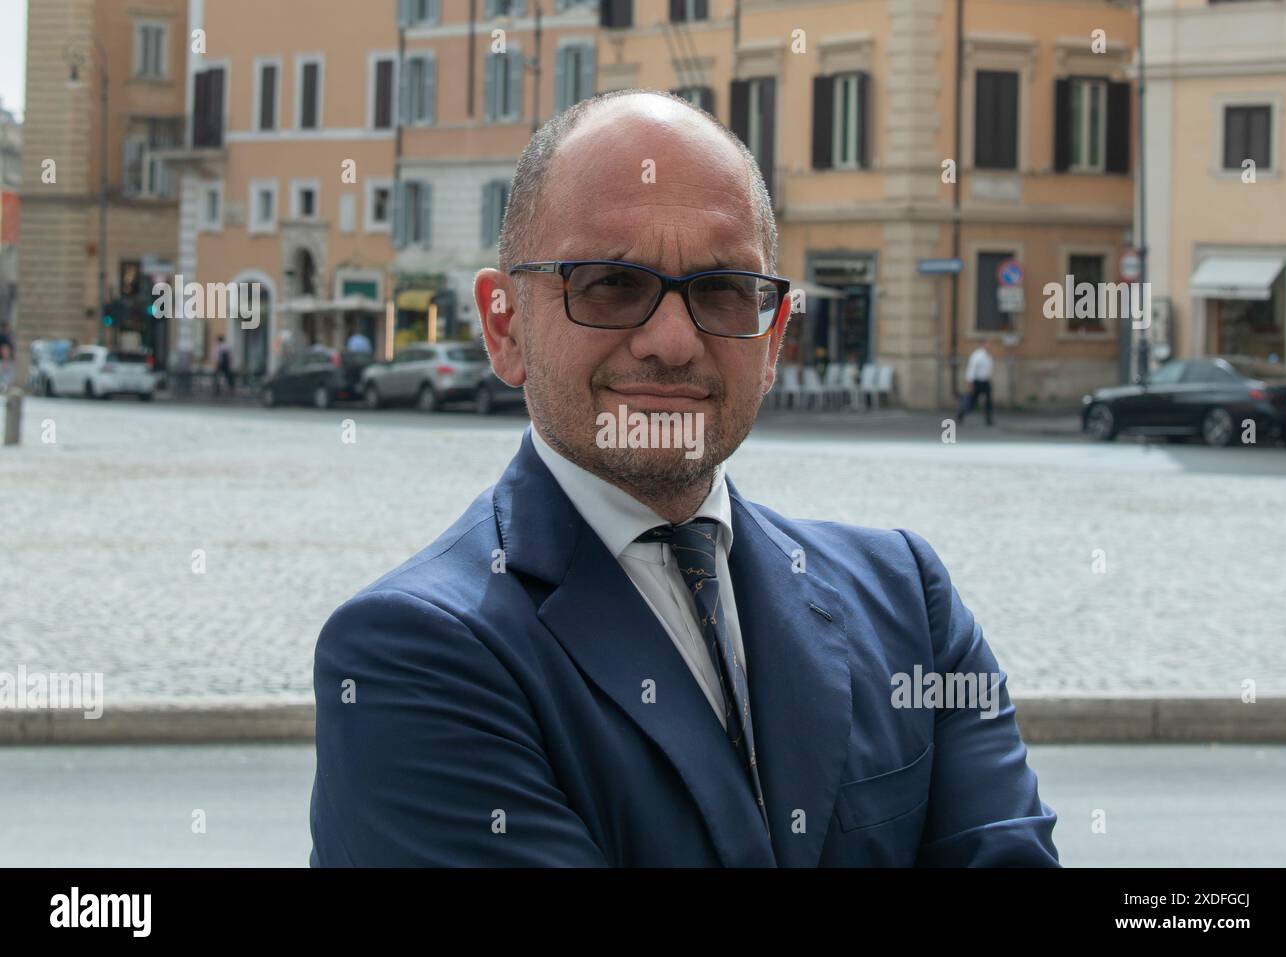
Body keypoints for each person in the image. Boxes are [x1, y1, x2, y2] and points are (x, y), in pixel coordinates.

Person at [309, 90, 1058, 867]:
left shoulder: (908, 601)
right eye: (608, 284)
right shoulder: (412, 652)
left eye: (723, 289)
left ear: (773, 340)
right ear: (504, 326)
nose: (671, 339)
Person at [958, 338, 995, 425]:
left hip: (986, 381)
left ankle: (988, 419)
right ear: (982, 344)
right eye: (987, 343)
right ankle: (961, 414)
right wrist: (969, 382)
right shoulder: (977, 355)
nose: (989, 345)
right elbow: (971, 369)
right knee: (972, 402)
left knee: (989, 401)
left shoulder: (988, 355)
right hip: (977, 382)